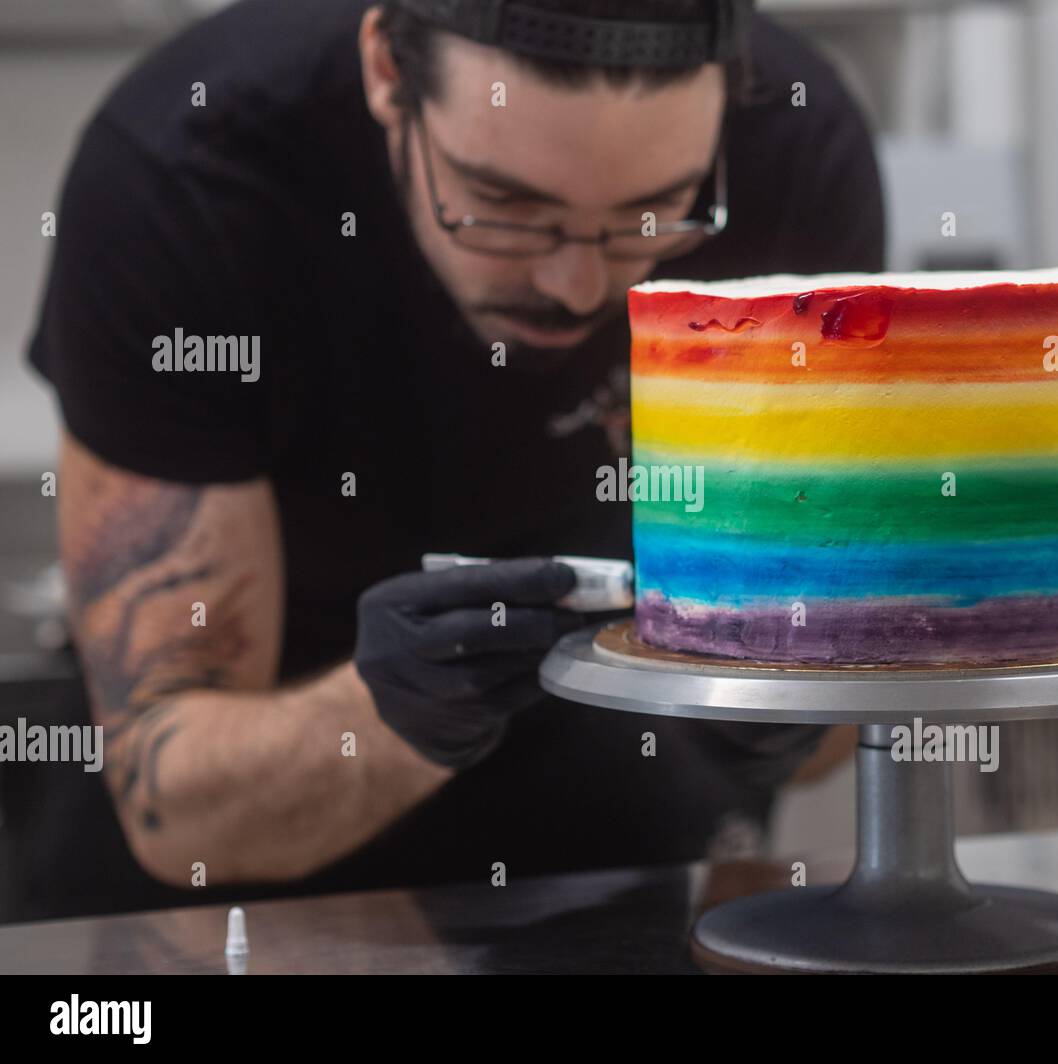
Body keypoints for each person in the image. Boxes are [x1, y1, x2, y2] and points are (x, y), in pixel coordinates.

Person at [18, 0, 885, 918]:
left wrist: (779, 714)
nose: (578, 286)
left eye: (650, 214)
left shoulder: (795, 146)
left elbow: (834, 709)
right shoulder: (188, 174)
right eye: (506, 207)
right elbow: (173, 800)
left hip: (633, 851)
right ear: (389, 74)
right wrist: (386, 713)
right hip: (240, 887)